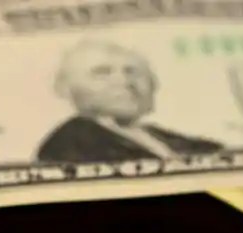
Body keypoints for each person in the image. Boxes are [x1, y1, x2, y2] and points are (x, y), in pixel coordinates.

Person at [37, 39, 222, 163]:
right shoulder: (69, 143)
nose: (124, 82)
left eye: (132, 72)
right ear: (66, 87)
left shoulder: (156, 134)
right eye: (102, 72)